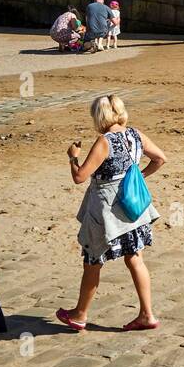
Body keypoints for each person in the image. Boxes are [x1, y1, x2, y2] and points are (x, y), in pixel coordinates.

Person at [57, 95, 165, 333]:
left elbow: (79, 177)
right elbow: (160, 158)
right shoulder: (136, 135)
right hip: (133, 206)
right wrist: (139, 177)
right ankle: (147, 314)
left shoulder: (104, 141)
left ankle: (80, 314)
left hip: (106, 209)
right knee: (135, 257)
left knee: (93, 260)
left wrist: (72, 157)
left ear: (99, 115)